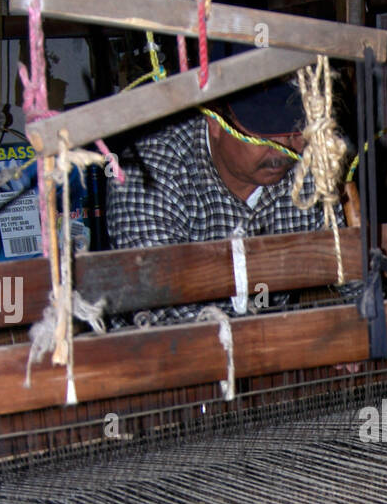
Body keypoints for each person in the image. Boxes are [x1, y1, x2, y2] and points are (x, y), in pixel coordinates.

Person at [105, 71, 343, 323]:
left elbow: (358, 272)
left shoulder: (310, 167)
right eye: (268, 128)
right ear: (215, 120)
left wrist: (348, 333)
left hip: (270, 345)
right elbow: (168, 315)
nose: (286, 146)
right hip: (164, 355)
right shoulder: (149, 172)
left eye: (297, 128)